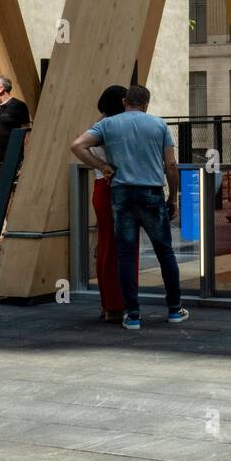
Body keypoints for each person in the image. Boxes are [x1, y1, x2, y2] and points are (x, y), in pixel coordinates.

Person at [70, 85, 187, 331]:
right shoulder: (159, 125)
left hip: (121, 194)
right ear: (146, 104)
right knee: (165, 252)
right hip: (152, 193)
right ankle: (175, 310)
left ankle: (132, 315)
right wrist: (173, 197)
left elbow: (77, 146)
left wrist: (102, 166)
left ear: (125, 102)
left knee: (123, 254)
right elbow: (172, 165)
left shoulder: (107, 125)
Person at [88, 85, 134, 324]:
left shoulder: (98, 124)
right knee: (124, 247)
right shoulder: (116, 127)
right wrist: (106, 167)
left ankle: (108, 303)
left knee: (106, 247)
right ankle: (120, 303)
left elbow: (79, 145)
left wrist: (98, 166)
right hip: (118, 187)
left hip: (101, 189)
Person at [0, 74, 30, 189]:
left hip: (14, 160)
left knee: (12, 196)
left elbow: (26, 135)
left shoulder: (19, 106)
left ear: (1, 88)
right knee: (0, 199)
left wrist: (25, 163)